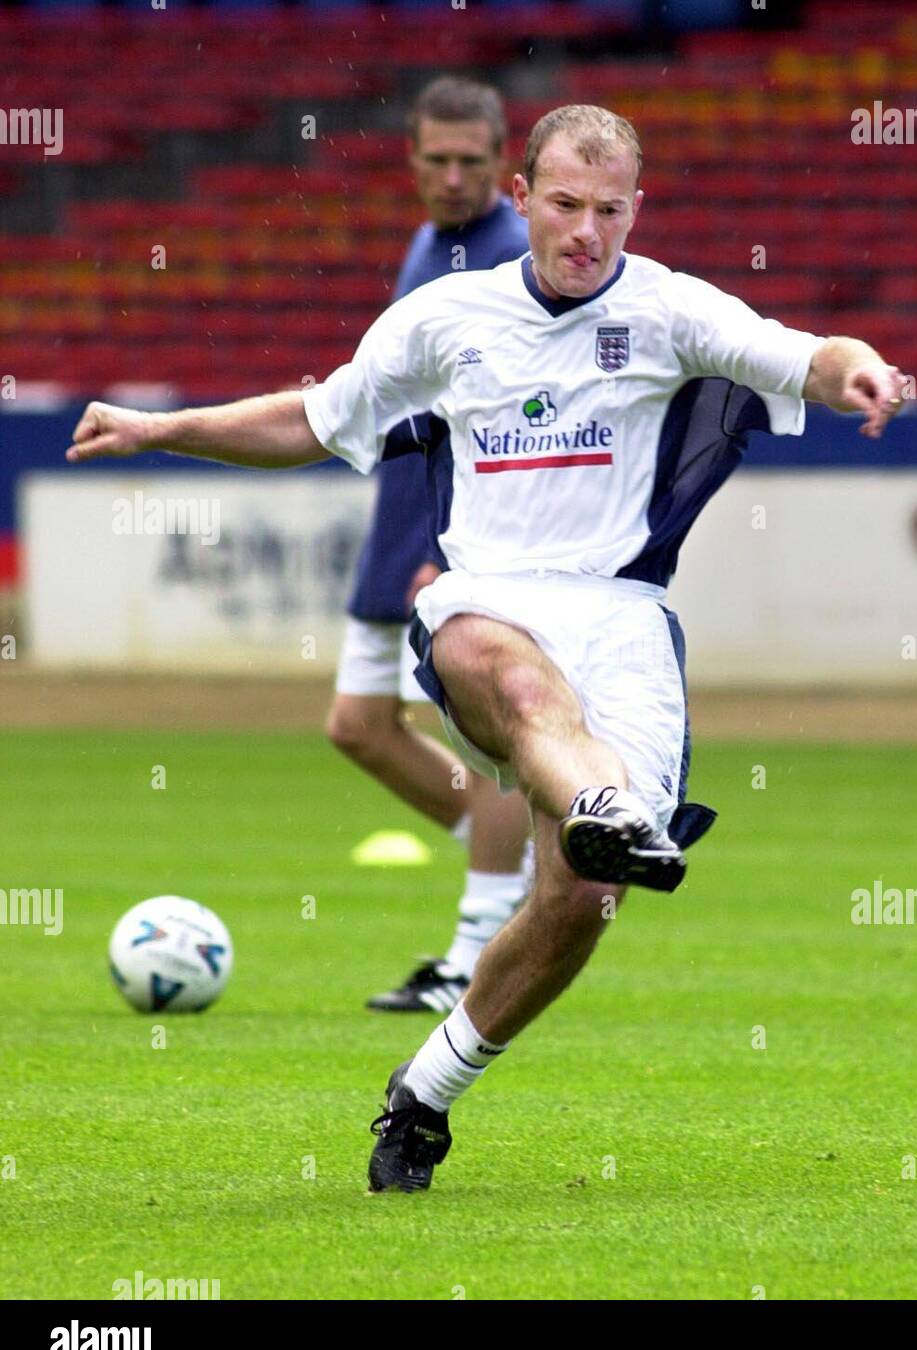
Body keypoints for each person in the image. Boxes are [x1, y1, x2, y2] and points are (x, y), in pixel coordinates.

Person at [66, 104, 907, 1196]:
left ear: (634, 210)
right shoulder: (444, 318)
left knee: (576, 902)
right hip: (477, 600)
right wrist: (157, 428)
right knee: (510, 679)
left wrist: (860, 368)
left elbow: (800, 353)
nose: (585, 231)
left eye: (608, 210)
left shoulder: (669, 310)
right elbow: (315, 422)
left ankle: (422, 1093)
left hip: (621, 619)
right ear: (520, 199)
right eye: (562, 205)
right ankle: (609, 811)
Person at [325, 76, 532, 1015]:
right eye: (436, 159)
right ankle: (519, 869)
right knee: (358, 727)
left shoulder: (511, 260)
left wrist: (453, 554)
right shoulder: (429, 242)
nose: (452, 177)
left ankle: (475, 949)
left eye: (472, 163)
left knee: (483, 742)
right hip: (395, 517)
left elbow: (500, 422)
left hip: (451, 532)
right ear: (410, 158)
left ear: (503, 164)